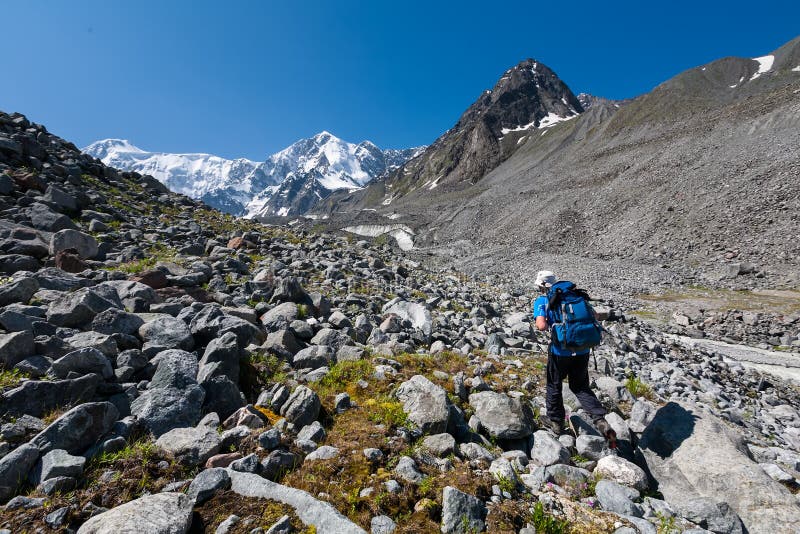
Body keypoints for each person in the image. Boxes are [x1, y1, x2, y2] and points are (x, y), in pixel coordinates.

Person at [532, 270, 615, 442]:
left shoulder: (543, 300)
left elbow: (541, 325)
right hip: (582, 350)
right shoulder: (577, 297)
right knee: (580, 386)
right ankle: (600, 420)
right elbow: (596, 316)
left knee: (554, 385)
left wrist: (551, 323)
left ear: (542, 287)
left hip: (560, 351)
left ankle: (556, 422)